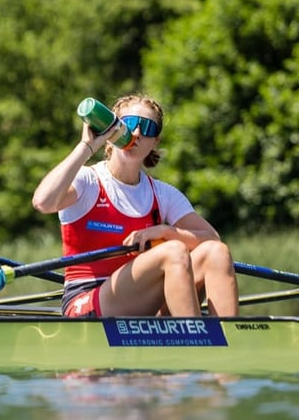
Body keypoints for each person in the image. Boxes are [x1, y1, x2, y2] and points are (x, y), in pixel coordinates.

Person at [31, 93, 239, 317]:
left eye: (147, 128)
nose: (137, 133)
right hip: (86, 301)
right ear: (113, 131)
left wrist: (165, 231)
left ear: (155, 141)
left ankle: (226, 335)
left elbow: (213, 239)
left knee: (217, 252)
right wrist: (86, 146)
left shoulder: (163, 194)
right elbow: (43, 202)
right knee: (174, 251)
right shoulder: (87, 181)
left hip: (140, 299)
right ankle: (194, 334)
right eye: (129, 124)